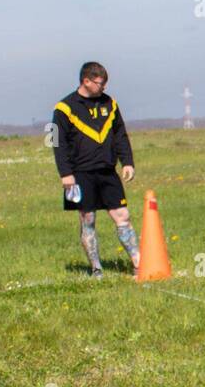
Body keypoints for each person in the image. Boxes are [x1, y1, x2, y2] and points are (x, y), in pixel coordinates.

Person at [51, 62, 140, 277]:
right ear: (86, 81)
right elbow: (56, 142)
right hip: (79, 175)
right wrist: (65, 174)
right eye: (100, 84)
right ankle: (96, 269)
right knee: (87, 220)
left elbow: (120, 134)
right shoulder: (63, 108)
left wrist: (127, 161)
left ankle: (139, 265)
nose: (104, 88)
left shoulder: (110, 104)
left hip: (107, 172)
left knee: (123, 215)